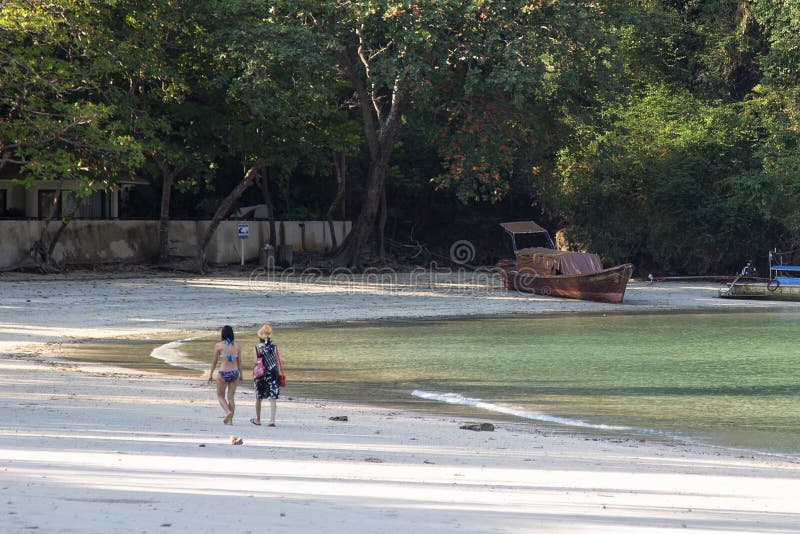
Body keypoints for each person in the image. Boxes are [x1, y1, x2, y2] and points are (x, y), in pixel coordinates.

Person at [207, 325, 242, 425]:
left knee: (220, 395)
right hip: (235, 372)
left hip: (223, 373)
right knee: (231, 397)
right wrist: (242, 374)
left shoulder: (218, 345)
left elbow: (214, 362)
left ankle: (228, 412)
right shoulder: (237, 346)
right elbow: (239, 361)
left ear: (223, 334)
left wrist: (210, 374)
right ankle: (230, 420)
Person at [251, 324, 279, 427]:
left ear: (259, 337)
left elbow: (255, 362)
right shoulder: (274, 347)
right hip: (272, 373)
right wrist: (279, 374)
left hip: (260, 375)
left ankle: (258, 419)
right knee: (273, 398)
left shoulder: (256, 348)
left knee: (259, 397)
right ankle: (272, 421)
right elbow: (276, 362)